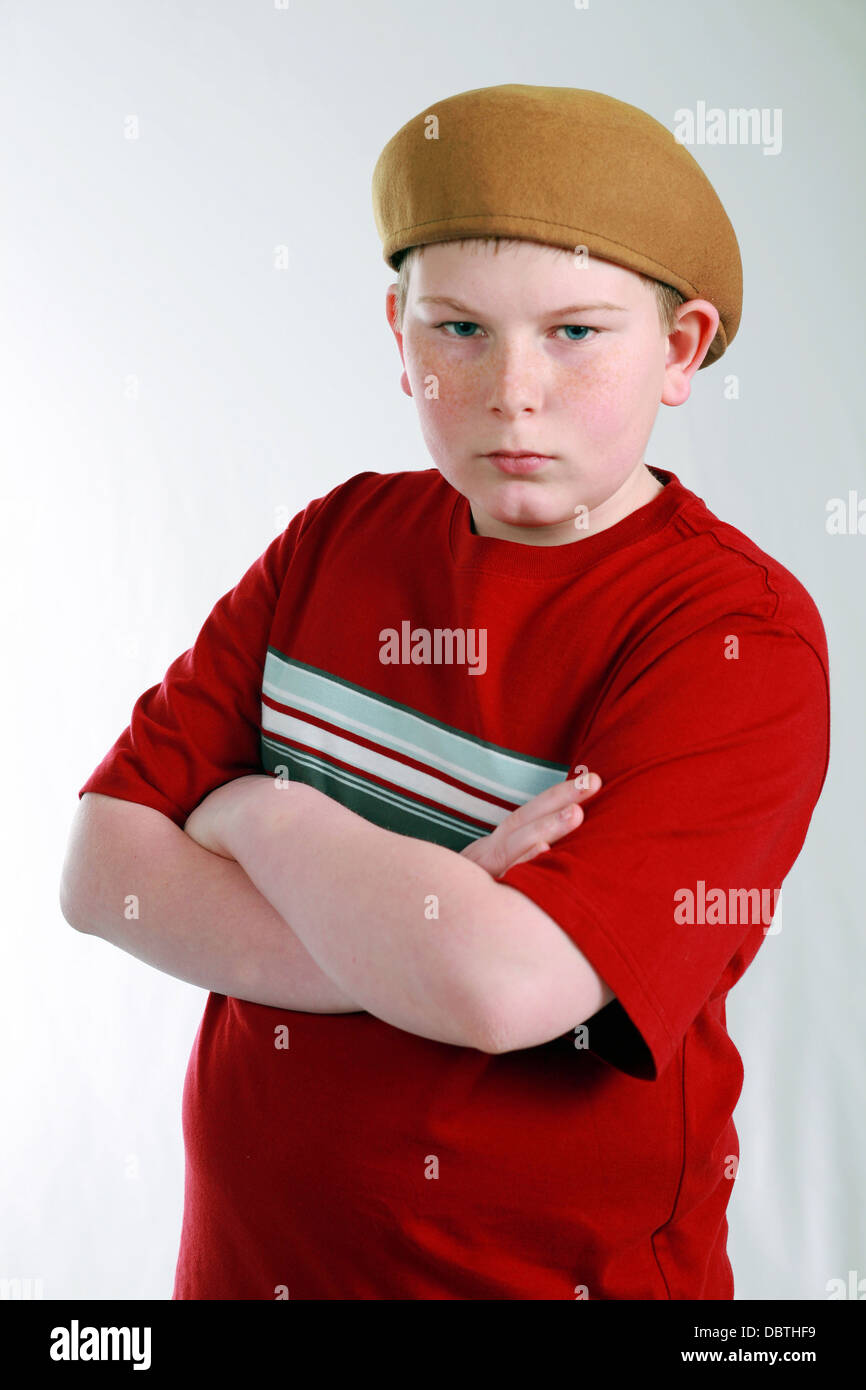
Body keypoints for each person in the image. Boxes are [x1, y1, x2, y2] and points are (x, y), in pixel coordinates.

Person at [60, 84, 830, 1300]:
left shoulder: (731, 634)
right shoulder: (335, 539)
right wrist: (437, 899)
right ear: (396, 330)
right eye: (457, 329)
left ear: (679, 349)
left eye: (574, 334)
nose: (510, 389)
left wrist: (268, 818)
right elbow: (104, 876)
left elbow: (500, 987)